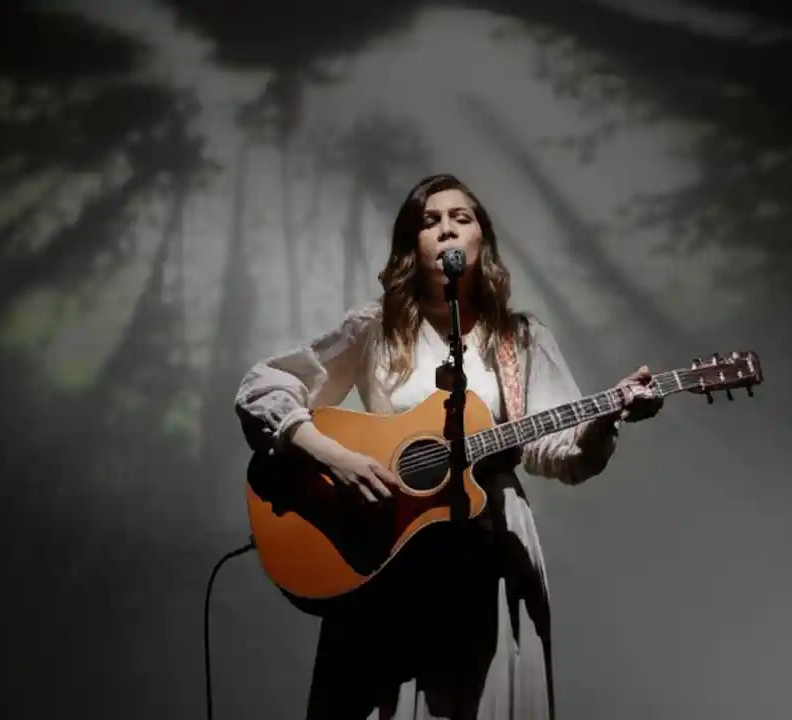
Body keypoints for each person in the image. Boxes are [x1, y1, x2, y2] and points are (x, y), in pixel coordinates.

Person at [234, 173, 663, 719]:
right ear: (411, 245)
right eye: (430, 221)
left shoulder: (520, 338)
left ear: (482, 239)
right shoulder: (376, 327)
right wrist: (333, 457)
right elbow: (265, 388)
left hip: (491, 550)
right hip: (386, 545)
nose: (446, 231)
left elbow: (559, 451)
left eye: (461, 219)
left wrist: (605, 418)